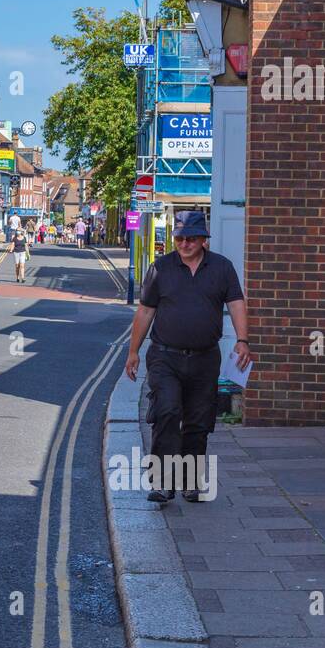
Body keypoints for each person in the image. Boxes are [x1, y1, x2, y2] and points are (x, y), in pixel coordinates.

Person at [124, 210, 251, 504]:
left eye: (191, 238)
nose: (184, 243)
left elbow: (236, 303)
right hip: (164, 356)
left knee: (198, 420)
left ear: (203, 239)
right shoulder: (160, 268)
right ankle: (162, 483)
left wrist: (242, 340)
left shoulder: (222, 268)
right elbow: (145, 311)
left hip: (205, 358)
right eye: (179, 238)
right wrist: (133, 352)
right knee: (167, 412)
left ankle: (190, 482)